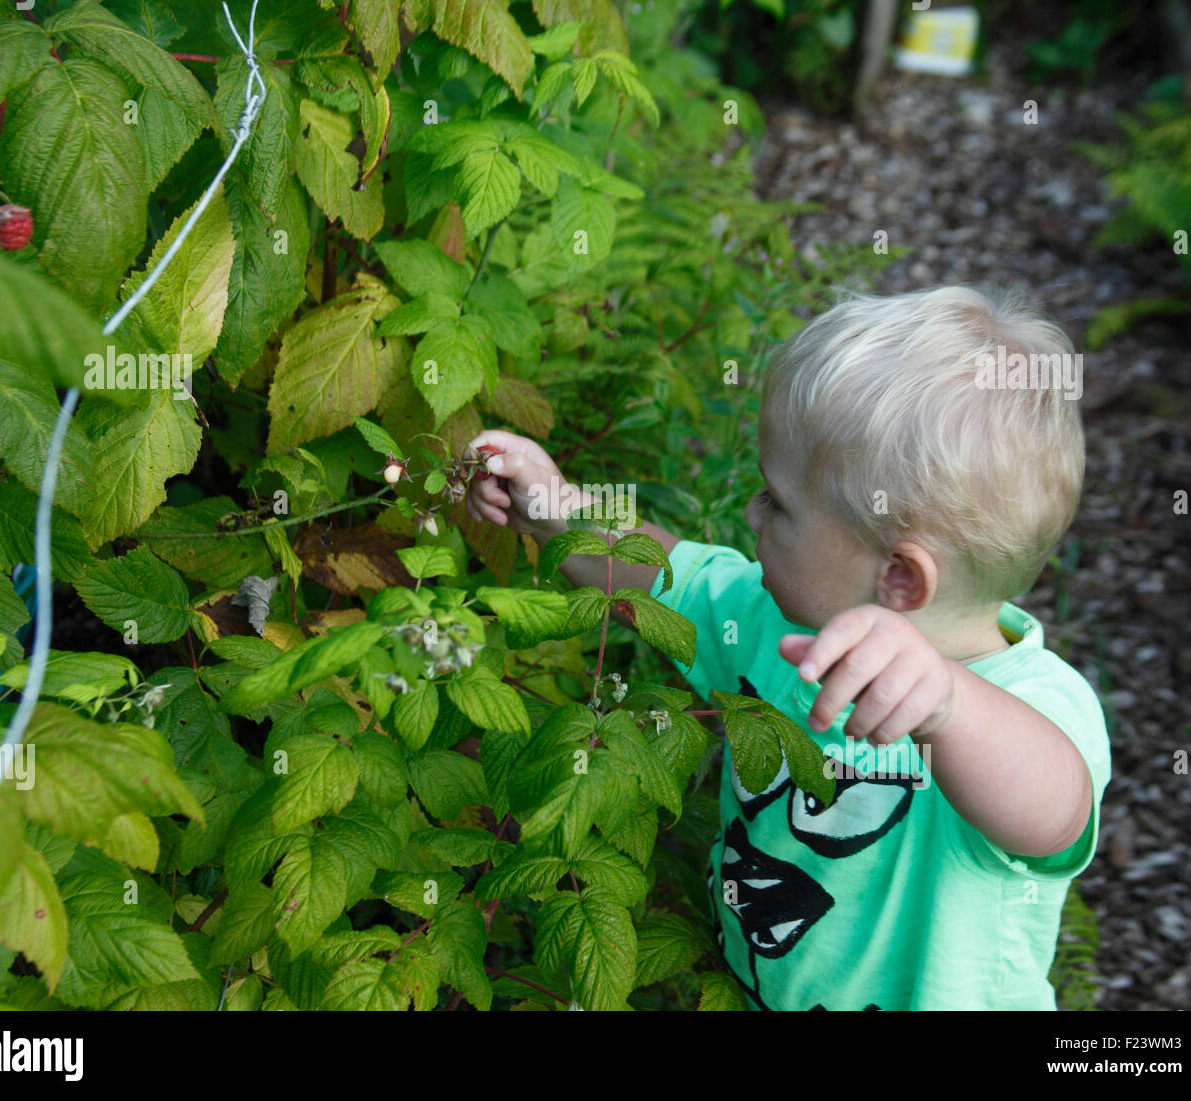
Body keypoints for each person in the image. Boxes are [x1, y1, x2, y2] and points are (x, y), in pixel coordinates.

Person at [463, 285, 1110, 1010]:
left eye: (777, 503)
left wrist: (950, 707)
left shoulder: (1034, 707)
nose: (750, 511)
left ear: (897, 576)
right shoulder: (771, 622)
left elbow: (1056, 815)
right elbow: (667, 578)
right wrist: (557, 511)